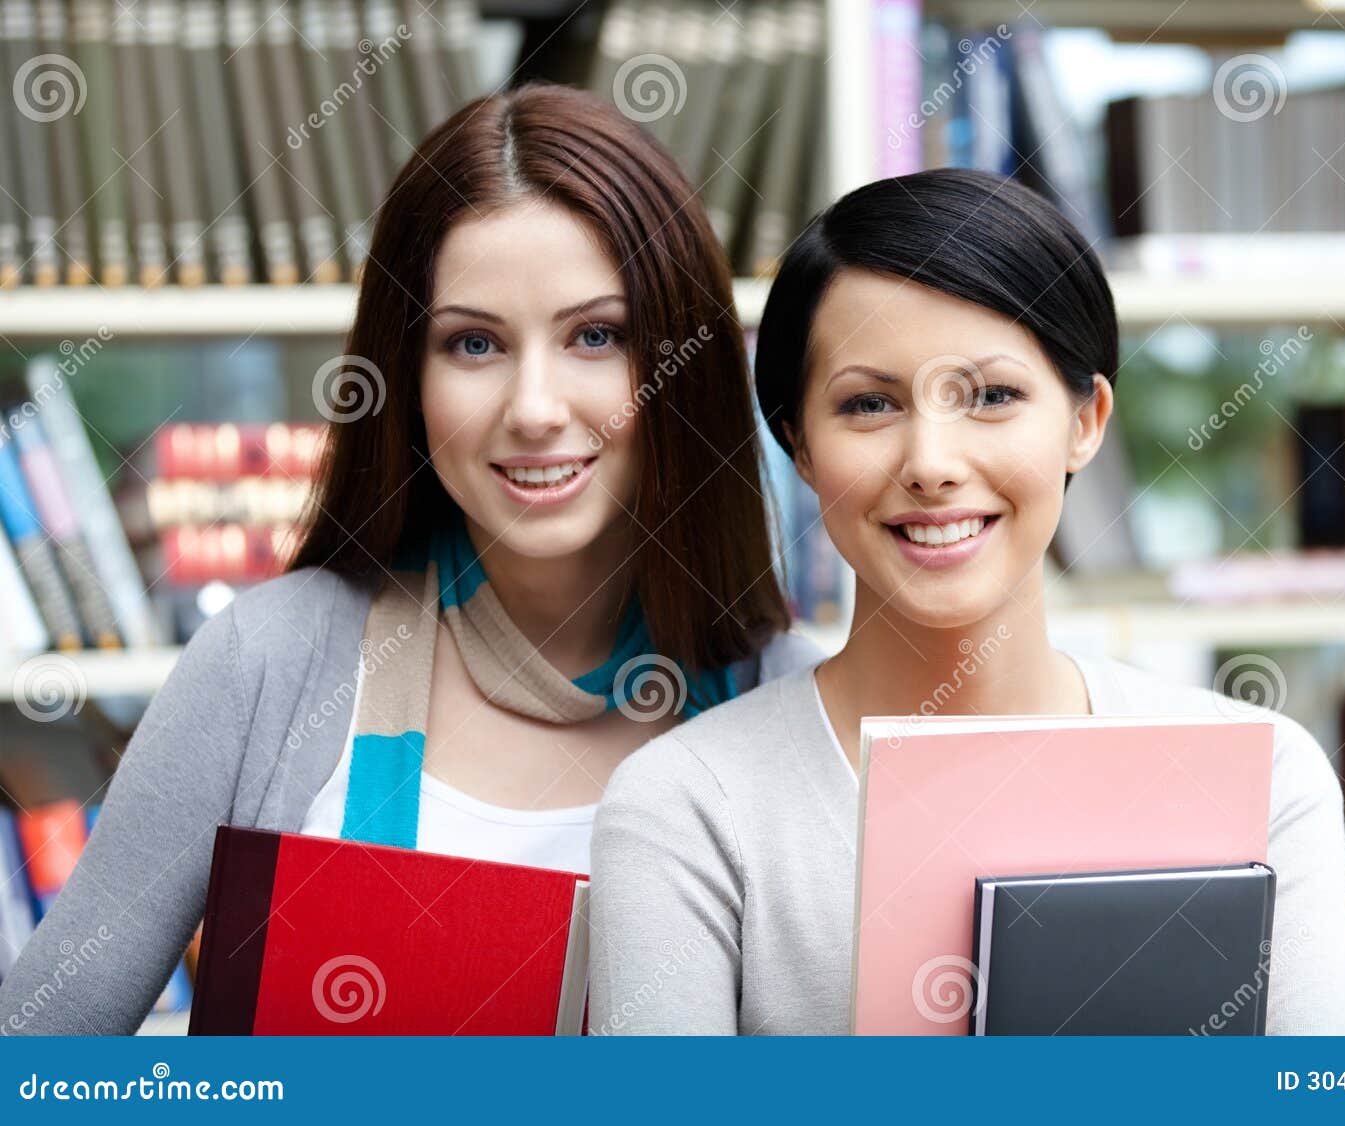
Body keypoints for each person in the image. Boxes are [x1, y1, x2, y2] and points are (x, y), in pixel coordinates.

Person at [0, 84, 815, 1035]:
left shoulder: (787, 707)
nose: (537, 408)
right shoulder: (267, 663)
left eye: (597, 335)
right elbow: (36, 1071)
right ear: (406, 382)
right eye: (473, 344)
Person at [587, 168, 1345, 1035]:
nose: (932, 461)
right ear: (799, 446)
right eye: (869, 404)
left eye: (992, 396)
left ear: (1086, 421)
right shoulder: (689, 810)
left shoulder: (1259, 778)